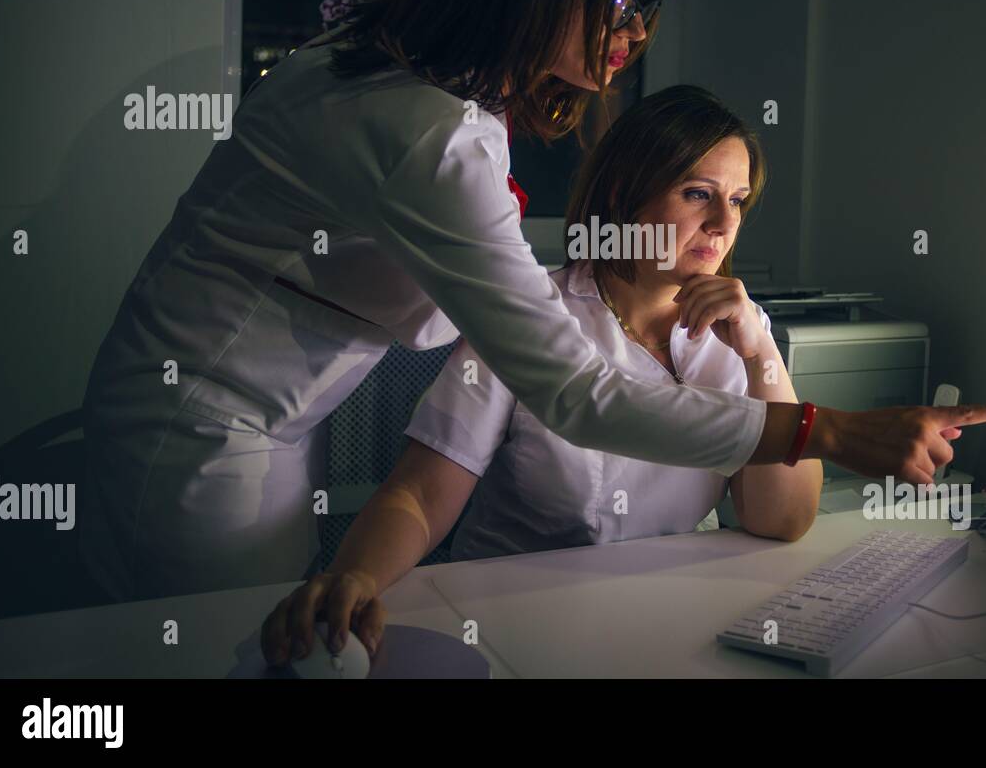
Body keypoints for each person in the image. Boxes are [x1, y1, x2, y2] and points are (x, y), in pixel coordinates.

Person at [80, 0, 986, 602]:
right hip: (205, 429)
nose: (631, 26)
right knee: (239, 648)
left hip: (260, 417)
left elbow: (779, 519)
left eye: (642, 4)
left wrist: (772, 369)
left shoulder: (428, 98)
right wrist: (836, 431)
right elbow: (563, 396)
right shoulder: (423, 132)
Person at [262, 85, 827, 662]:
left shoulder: (740, 329)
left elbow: (781, 519)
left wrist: (762, 358)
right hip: (514, 618)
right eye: (698, 193)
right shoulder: (534, 313)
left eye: (738, 200)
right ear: (624, 194)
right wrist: (356, 576)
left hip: (663, 618)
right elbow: (422, 493)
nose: (722, 222)